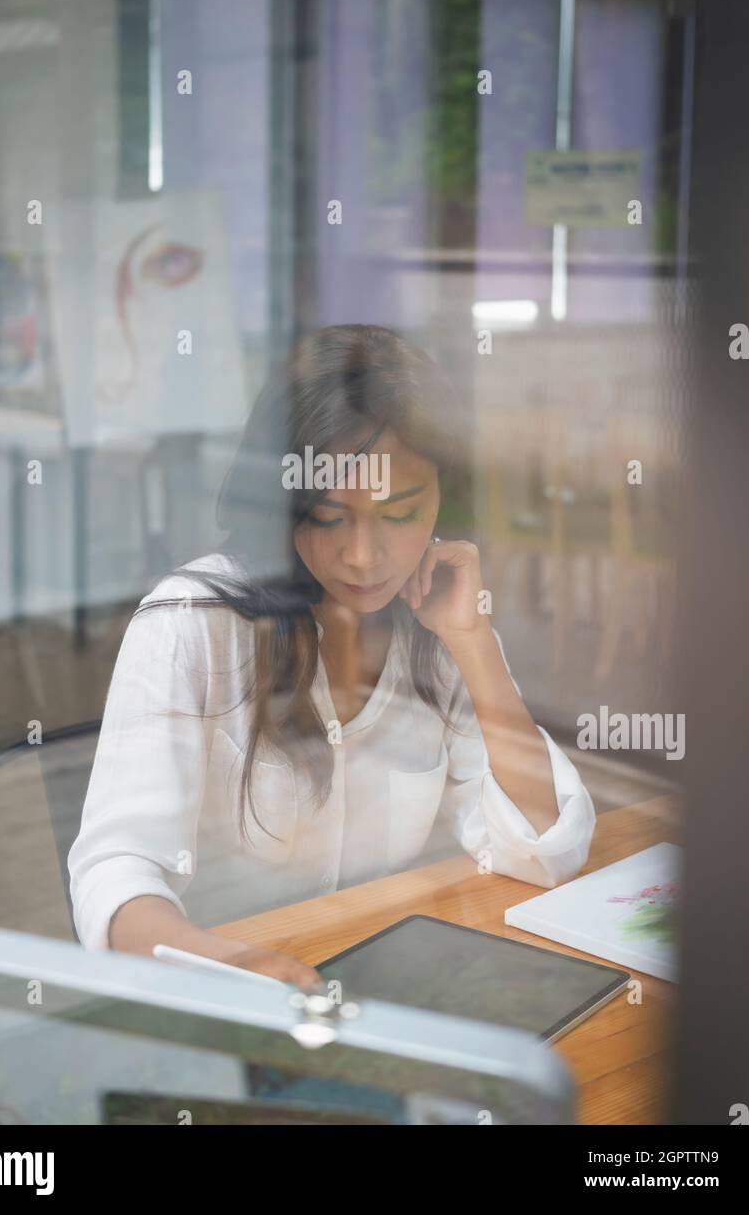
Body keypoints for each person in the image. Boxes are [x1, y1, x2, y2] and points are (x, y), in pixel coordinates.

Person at [68, 324, 596, 988]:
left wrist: (475, 644)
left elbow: (545, 848)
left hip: (387, 984)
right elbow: (115, 874)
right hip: (230, 1004)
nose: (363, 555)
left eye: (399, 512)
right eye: (327, 514)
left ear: (443, 499)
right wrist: (236, 963)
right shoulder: (193, 622)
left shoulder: (434, 619)